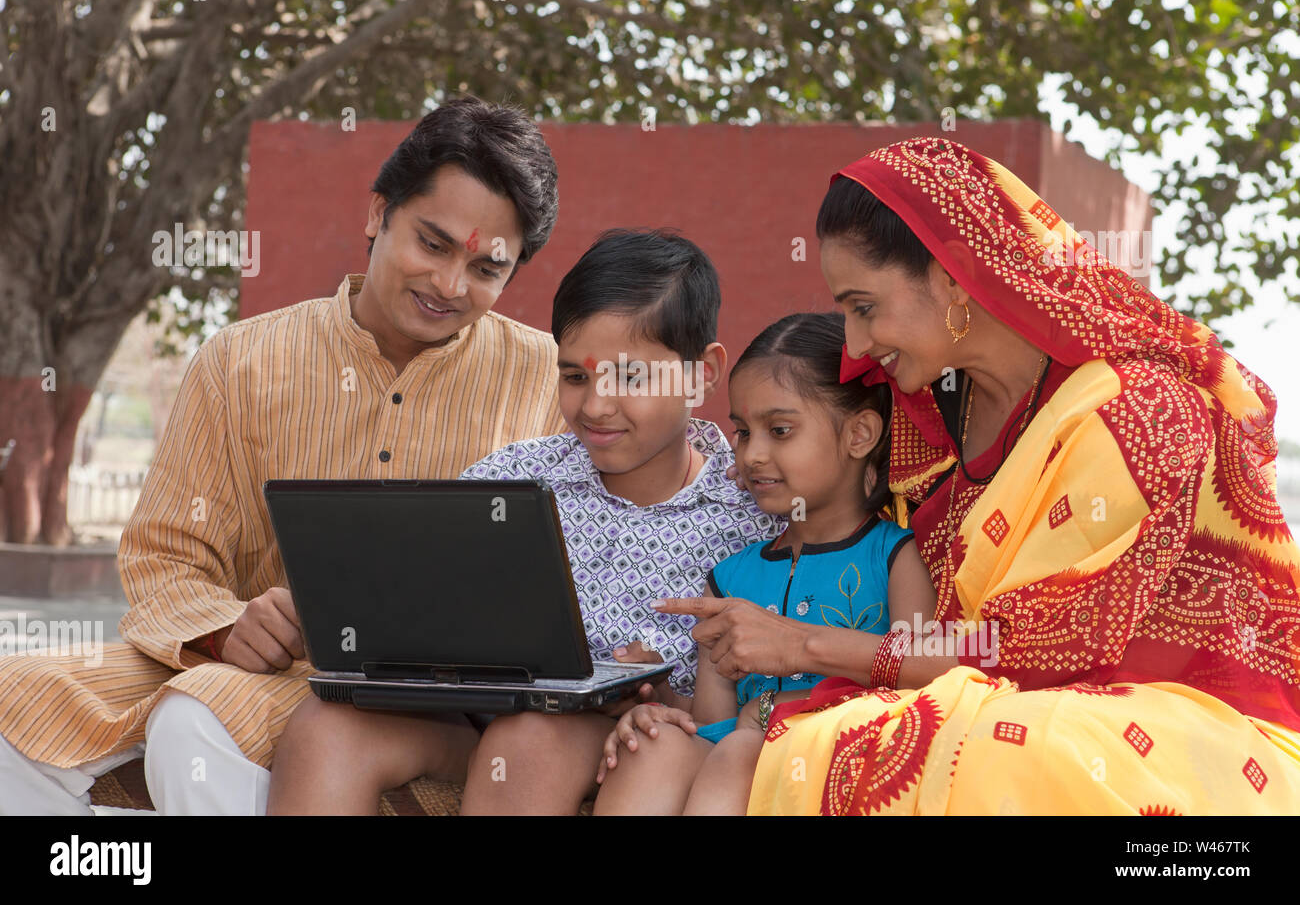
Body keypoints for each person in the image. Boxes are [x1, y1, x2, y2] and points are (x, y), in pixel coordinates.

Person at [657, 136, 1300, 814]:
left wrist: (804, 644)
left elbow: (1035, 653)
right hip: (958, 690)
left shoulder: (1139, 410)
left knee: (1007, 749)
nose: (853, 344)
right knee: (809, 738)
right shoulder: (924, 414)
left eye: (864, 307)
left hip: (1165, 720)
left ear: (951, 274)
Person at [0, 96, 571, 815]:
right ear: (377, 214)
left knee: (193, 722)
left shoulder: (550, 382)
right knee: (12, 707)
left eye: (487, 268)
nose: (451, 285)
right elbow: (165, 558)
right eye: (432, 242)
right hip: (245, 669)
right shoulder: (243, 361)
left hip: (433, 708)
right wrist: (223, 627)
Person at [266, 228, 785, 815]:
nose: (595, 406)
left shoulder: (755, 508)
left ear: (702, 373)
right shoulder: (513, 480)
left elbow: (764, 694)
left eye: (629, 379)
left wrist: (667, 697)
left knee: (532, 735)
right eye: (574, 376)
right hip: (474, 722)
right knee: (326, 722)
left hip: (624, 742)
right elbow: (421, 598)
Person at [591, 312, 935, 814]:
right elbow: (713, 724)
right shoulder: (731, 577)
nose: (751, 454)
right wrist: (658, 699)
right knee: (653, 745)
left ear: (859, 435)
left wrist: (775, 716)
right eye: (743, 431)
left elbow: (921, 679)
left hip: (843, 754)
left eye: (779, 430)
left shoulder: (894, 556)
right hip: (735, 754)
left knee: (743, 748)